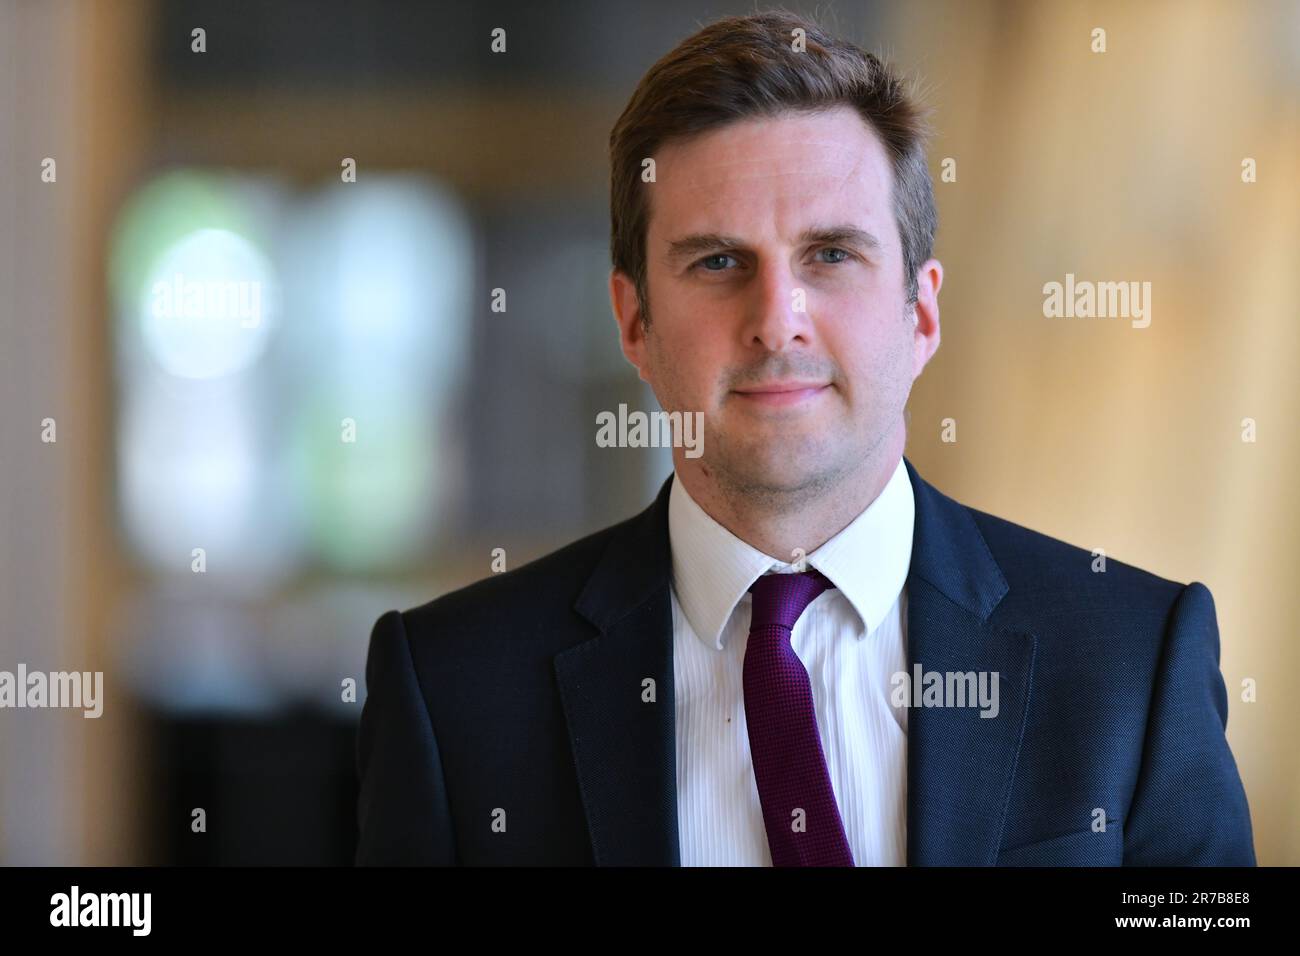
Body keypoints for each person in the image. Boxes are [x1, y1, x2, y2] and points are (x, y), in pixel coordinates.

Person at [355, 10, 1255, 866]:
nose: (777, 321)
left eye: (831, 255)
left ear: (923, 311)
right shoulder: (454, 689)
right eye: (717, 262)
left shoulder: (1133, 659)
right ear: (634, 322)